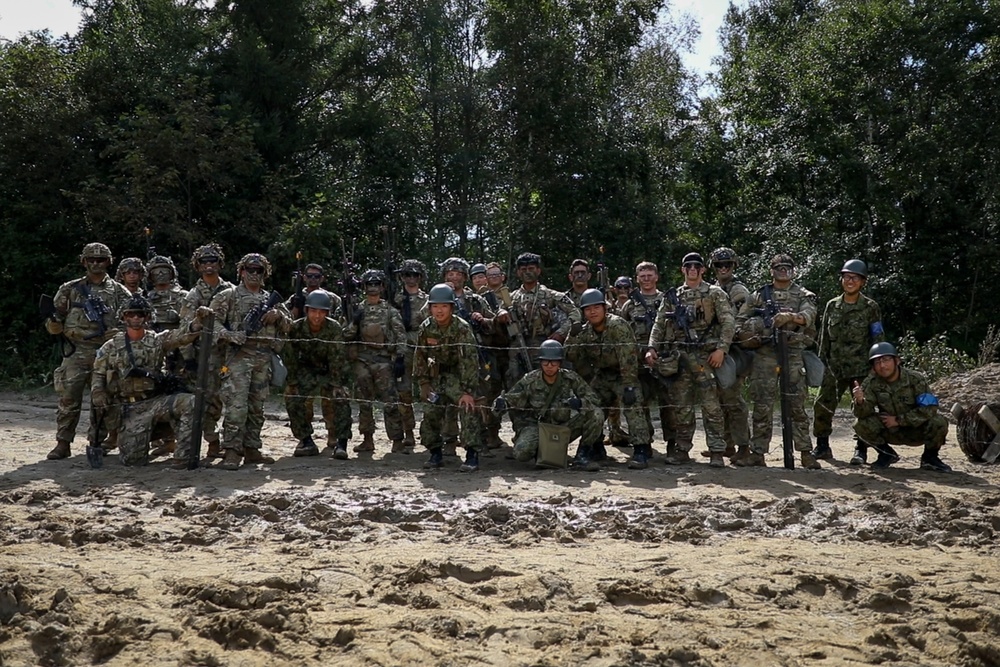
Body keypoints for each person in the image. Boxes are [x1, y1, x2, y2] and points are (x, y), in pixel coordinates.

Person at [91, 295, 211, 468]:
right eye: (130, 314)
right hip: (131, 409)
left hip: (156, 401)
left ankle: (183, 458)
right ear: (124, 317)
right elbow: (98, 374)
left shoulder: (156, 340)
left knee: (192, 403)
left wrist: (198, 322)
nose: (135, 318)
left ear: (147, 317)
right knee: (134, 461)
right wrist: (98, 393)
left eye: (140, 314)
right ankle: (140, 438)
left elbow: (181, 336)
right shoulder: (111, 346)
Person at [645, 253, 735, 467]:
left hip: (706, 356)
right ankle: (682, 448)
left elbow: (728, 322)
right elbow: (659, 324)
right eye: (688, 266)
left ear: (703, 270)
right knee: (682, 406)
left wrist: (722, 349)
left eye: (696, 266)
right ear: (682, 270)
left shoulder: (714, 293)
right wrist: (651, 348)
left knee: (711, 405)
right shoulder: (673, 296)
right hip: (680, 357)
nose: (692, 269)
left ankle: (716, 451)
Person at [44, 242, 131, 460]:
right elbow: (54, 316)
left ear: (109, 262)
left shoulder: (120, 292)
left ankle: (97, 442)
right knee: (68, 399)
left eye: (100, 259)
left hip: (105, 353)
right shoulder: (70, 289)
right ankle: (63, 443)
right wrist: (53, 326)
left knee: (102, 400)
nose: (95, 263)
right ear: (83, 262)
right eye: (91, 259)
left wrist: (119, 333)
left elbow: (135, 320)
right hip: (76, 351)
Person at [735, 253, 820, 468]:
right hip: (766, 354)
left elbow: (809, 315)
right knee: (762, 405)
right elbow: (740, 320)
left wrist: (790, 317)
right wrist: (752, 332)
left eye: (787, 267)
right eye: (779, 268)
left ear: (794, 270)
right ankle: (758, 452)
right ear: (771, 270)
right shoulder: (759, 295)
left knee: (797, 405)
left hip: (792, 352)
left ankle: (805, 452)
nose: (783, 271)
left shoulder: (803, 294)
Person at [210, 253, 291, 470]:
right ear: (241, 271)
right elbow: (211, 322)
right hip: (238, 356)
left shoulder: (271, 300)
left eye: (259, 271)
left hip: (263, 357)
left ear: (265, 274)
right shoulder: (229, 295)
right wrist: (229, 335)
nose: (254, 274)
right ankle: (232, 451)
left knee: (257, 406)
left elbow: (289, 326)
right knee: (237, 406)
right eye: (250, 270)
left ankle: (252, 449)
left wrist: (278, 315)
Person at [567, 289, 652, 468]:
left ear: (605, 308)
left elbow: (628, 358)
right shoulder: (585, 332)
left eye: (597, 307)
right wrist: (572, 336)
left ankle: (641, 449)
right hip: (603, 375)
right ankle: (596, 446)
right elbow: (572, 356)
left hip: (624, 373)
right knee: (592, 406)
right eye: (588, 309)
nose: (592, 312)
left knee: (632, 404)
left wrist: (629, 386)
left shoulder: (617, 325)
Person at [812, 259, 884, 464]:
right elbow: (824, 337)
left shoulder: (870, 307)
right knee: (822, 406)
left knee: (863, 408)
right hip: (834, 367)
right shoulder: (832, 305)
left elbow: (877, 337)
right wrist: (821, 362)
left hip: (861, 368)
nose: (850, 281)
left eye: (855, 278)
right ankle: (823, 446)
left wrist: (876, 366)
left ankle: (861, 450)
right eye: (846, 277)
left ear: (862, 282)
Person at [496, 340, 604, 471]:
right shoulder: (530, 380)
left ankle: (582, 455)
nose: (549, 365)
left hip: (562, 428)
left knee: (596, 414)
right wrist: (500, 404)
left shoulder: (571, 378)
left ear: (560, 363)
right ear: (540, 362)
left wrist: (581, 403)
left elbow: (594, 399)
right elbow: (509, 399)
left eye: (554, 362)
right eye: (545, 362)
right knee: (521, 453)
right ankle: (542, 453)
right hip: (537, 428)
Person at [412, 283, 485, 473]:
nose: (439, 311)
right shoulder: (426, 328)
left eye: (444, 306)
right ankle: (435, 452)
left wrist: (468, 391)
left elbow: (470, 361)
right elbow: (419, 357)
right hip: (436, 377)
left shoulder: (462, 328)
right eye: (435, 306)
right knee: (429, 412)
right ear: (429, 308)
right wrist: (424, 383)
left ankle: (472, 455)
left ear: (452, 308)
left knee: (468, 408)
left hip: (460, 377)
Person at [852, 342, 951, 472]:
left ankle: (930, 458)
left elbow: (929, 409)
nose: (882, 365)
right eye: (877, 362)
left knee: (939, 422)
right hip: (890, 431)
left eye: (886, 360)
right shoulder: (871, 383)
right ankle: (886, 454)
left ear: (897, 361)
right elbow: (862, 414)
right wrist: (859, 401)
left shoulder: (916, 379)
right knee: (860, 423)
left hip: (916, 429)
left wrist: (899, 420)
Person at [179, 243, 234, 457]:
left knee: (229, 397)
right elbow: (186, 329)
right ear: (197, 266)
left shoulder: (231, 290)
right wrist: (188, 358)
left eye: (213, 261)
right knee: (209, 399)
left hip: (228, 355)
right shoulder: (193, 296)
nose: (209, 266)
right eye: (204, 262)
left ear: (220, 264)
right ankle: (212, 441)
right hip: (206, 356)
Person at [284, 290, 353, 459]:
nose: (317, 316)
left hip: (330, 370)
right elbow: (290, 356)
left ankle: (341, 443)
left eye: (322, 312)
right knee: (292, 397)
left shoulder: (333, 328)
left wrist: (337, 384)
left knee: (341, 398)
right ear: (307, 311)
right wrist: (292, 381)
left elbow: (337, 358)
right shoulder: (297, 328)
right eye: (314, 311)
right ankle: (306, 441)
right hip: (306, 370)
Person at [345, 269, 407, 453]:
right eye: (369, 284)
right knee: (364, 401)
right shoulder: (357, 309)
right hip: (362, 360)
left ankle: (396, 440)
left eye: (376, 284)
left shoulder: (390, 311)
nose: (373, 288)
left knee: (390, 401)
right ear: (364, 287)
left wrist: (400, 357)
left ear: (382, 287)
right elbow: (346, 335)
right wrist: (354, 322)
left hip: (383, 360)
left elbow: (400, 335)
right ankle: (367, 439)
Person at [617, 261, 675, 453]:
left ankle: (673, 442)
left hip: (663, 358)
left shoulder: (668, 301)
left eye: (650, 275)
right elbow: (621, 329)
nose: (647, 279)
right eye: (643, 276)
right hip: (638, 360)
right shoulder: (629, 304)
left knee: (668, 402)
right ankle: (645, 441)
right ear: (637, 279)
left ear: (656, 277)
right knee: (640, 402)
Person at [496, 253, 581, 383]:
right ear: (518, 273)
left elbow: (575, 313)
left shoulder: (550, 295)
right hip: (518, 348)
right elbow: (500, 312)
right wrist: (501, 313)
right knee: (515, 383)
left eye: (531, 269)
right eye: (523, 270)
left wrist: (561, 332)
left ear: (538, 270)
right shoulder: (510, 298)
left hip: (545, 347)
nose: (527, 272)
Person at [708, 247, 752, 461]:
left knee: (733, 399)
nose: (723, 268)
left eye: (728, 264)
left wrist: (724, 340)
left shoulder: (738, 290)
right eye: (719, 265)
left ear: (734, 266)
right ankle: (727, 444)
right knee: (719, 398)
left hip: (734, 350)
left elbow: (741, 320)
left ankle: (744, 446)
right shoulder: (713, 288)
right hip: (717, 349)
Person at [144, 254, 189, 458]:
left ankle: (182, 441)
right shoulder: (145, 299)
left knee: (180, 394)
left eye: (164, 270)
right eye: (156, 271)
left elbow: (188, 326)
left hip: (180, 353)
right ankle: (164, 440)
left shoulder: (183, 297)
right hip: (153, 352)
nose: (161, 274)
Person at [393, 259, 430, 452]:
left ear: (421, 277)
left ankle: (430, 432)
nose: (411, 278)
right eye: (407, 275)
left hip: (423, 345)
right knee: (403, 391)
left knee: (428, 389)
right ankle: (408, 432)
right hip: (402, 346)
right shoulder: (396, 298)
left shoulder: (428, 298)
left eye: (415, 275)